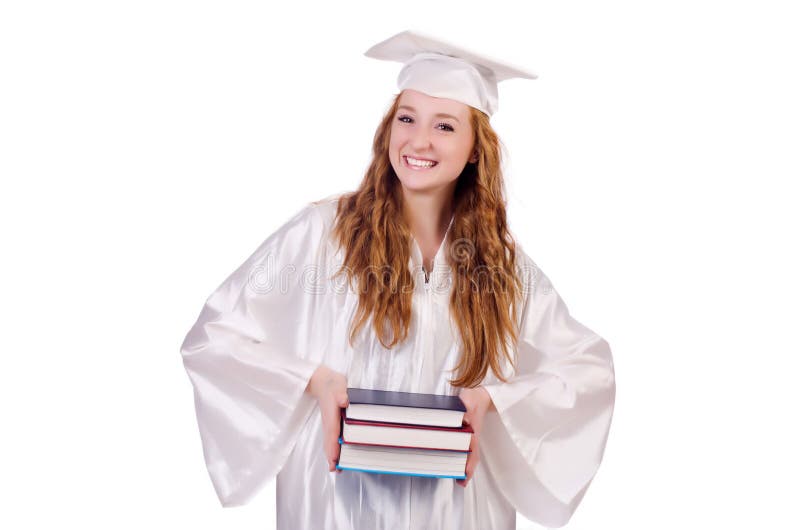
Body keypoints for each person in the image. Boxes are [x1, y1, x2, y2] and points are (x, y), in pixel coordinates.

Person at [179, 30, 616, 530]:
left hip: (455, 509)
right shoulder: (324, 235)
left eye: (445, 126)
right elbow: (216, 336)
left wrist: (494, 400)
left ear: (476, 150)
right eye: (407, 119)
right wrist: (316, 382)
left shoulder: (500, 265)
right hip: (339, 502)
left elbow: (588, 370)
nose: (419, 141)